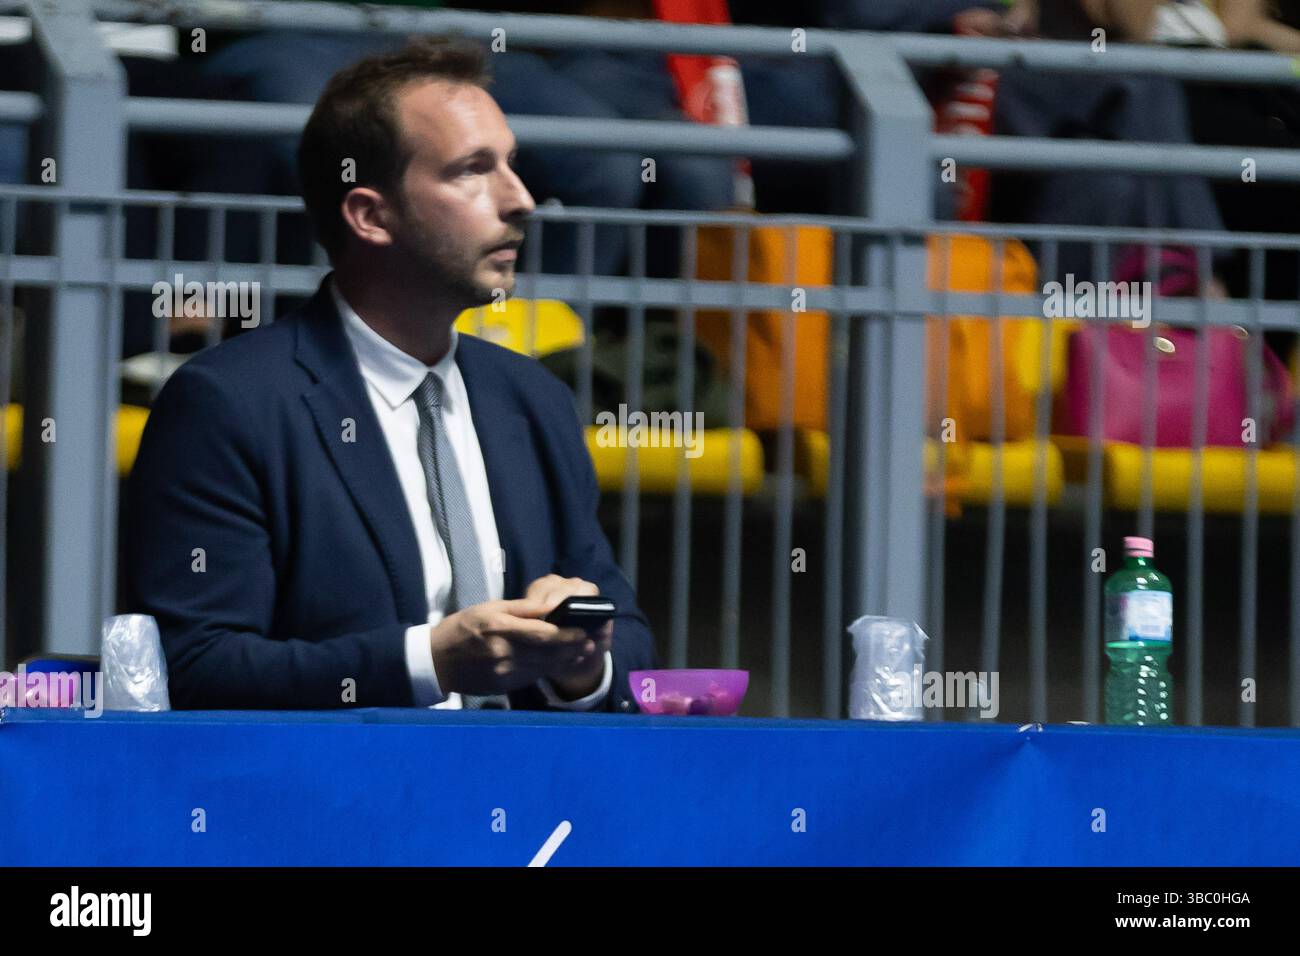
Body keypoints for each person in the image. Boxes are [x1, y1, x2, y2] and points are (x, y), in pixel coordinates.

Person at [124, 38, 658, 711]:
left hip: (527, 801)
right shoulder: (228, 404)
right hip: (334, 805)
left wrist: (581, 660)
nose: (521, 199)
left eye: (512, 167)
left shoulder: (534, 398)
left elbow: (633, 645)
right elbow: (196, 665)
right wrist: (429, 661)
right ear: (371, 216)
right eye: (472, 170)